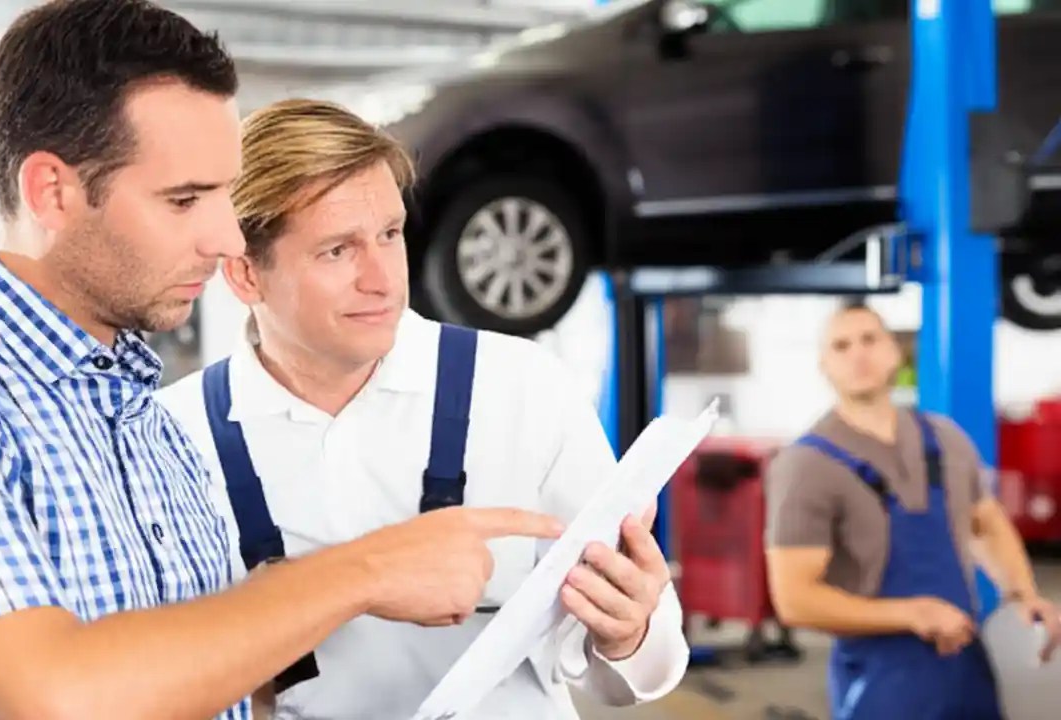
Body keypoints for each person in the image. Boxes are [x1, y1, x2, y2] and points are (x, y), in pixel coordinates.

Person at [0, 2, 565, 718]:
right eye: (184, 200)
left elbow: (210, 690)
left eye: (225, 197)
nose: (227, 240)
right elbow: (57, 698)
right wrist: (367, 570)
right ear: (52, 190)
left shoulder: (149, 424)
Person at [156, 98, 690, 720]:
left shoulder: (523, 389)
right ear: (245, 275)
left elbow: (637, 673)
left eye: (389, 234)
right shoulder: (173, 437)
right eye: (337, 250)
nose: (382, 277)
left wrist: (628, 632)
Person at [764, 303, 1061, 720]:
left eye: (870, 339)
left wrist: (1022, 594)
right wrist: (911, 613)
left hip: (966, 668)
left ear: (895, 351)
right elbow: (794, 599)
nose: (858, 354)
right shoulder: (805, 465)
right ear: (824, 365)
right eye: (841, 345)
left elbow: (987, 522)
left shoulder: (946, 438)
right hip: (881, 680)